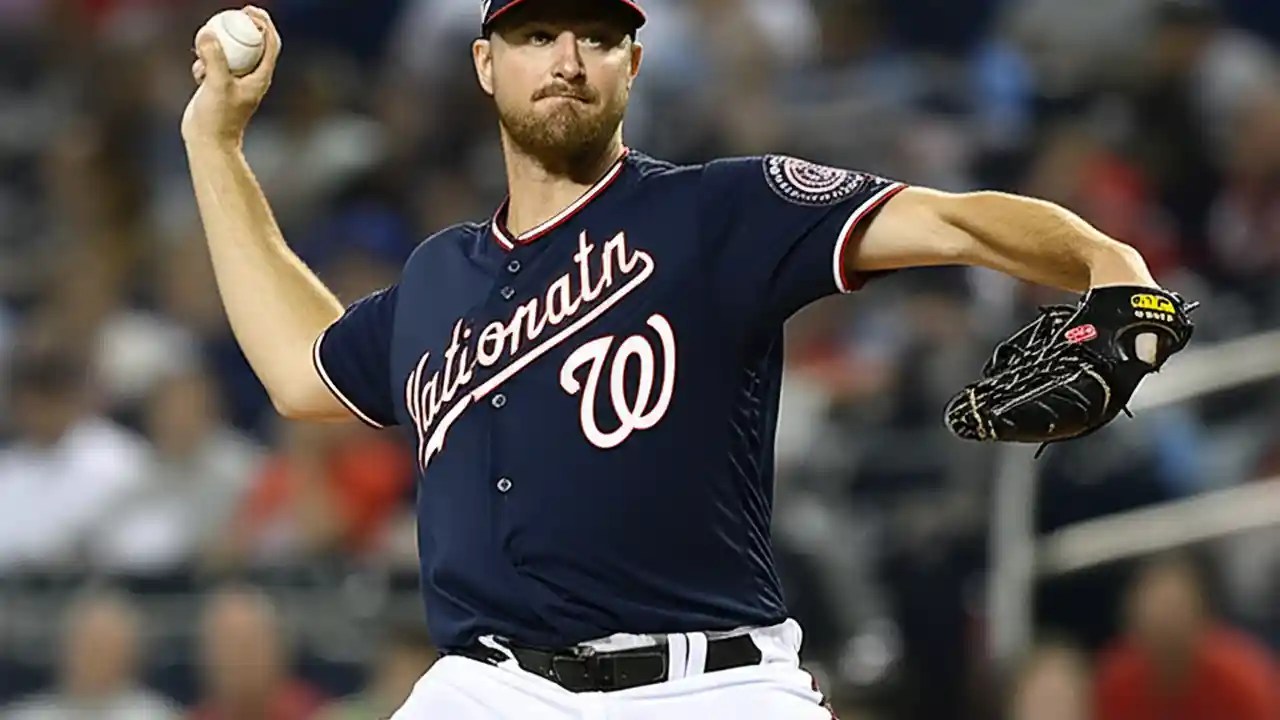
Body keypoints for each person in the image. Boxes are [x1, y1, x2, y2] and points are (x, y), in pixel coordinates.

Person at [181, 1, 1171, 716]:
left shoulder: (718, 211)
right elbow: (302, 371)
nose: (567, 57)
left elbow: (951, 219)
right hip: (495, 689)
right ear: (485, 64)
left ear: (633, 65)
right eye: (535, 35)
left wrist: (1108, 262)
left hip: (715, 686)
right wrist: (215, 147)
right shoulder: (441, 278)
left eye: (596, 36)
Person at [1094, 553, 1280, 720]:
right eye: (1155, 611)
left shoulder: (1243, 678)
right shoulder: (1114, 681)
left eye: (1175, 609)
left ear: (1201, 613)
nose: (1165, 624)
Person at [0, 590, 180, 720]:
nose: (93, 659)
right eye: (86, 646)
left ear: (132, 656)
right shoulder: (24, 715)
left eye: (106, 648)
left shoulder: (157, 715)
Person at [189, 586, 328, 720]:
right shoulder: (200, 717)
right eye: (226, 645)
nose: (238, 660)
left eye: (248, 646)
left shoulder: (316, 714)